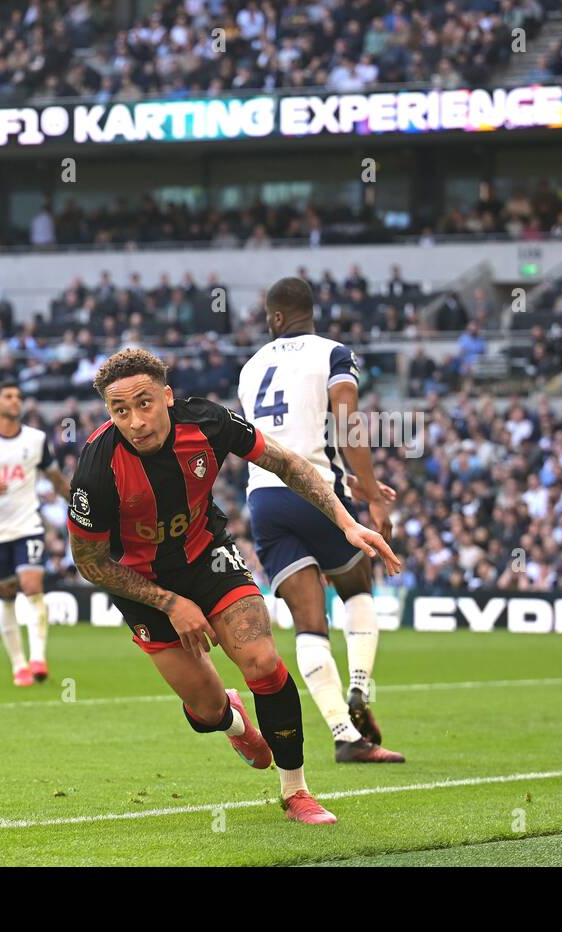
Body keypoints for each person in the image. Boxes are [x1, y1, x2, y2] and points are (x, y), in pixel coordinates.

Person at [66, 348, 401, 824]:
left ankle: (296, 791)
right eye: (121, 411)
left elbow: (287, 463)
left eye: (144, 403)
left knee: (263, 661)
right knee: (204, 709)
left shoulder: (206, 421)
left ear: (166, 396)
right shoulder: (97, 469)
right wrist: (171, 603)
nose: (136, 420)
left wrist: (346, 524)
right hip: (141, 584)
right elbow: (90, 563)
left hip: (207, 556)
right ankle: (234, 721)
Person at [239, 277, 404, 763]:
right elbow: (348, 425)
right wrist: (370, 493)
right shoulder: (333, 353)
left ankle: (343, 735)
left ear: (274, 318)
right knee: (356, 587)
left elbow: (276, 438)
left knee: (308, 623)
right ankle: (359, 688)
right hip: (318, 494)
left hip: (265, 498)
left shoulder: (249, 369)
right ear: (311, 311)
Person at [0, 381, 70, 685]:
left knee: (32, 585)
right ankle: (18, 665)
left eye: (18, 397)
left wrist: (78, 504)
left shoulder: (36, 440)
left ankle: (38, 658)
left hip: (28, 527)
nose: (16, 401)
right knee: (6, 597)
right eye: (8, 396)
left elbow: (56, 479)